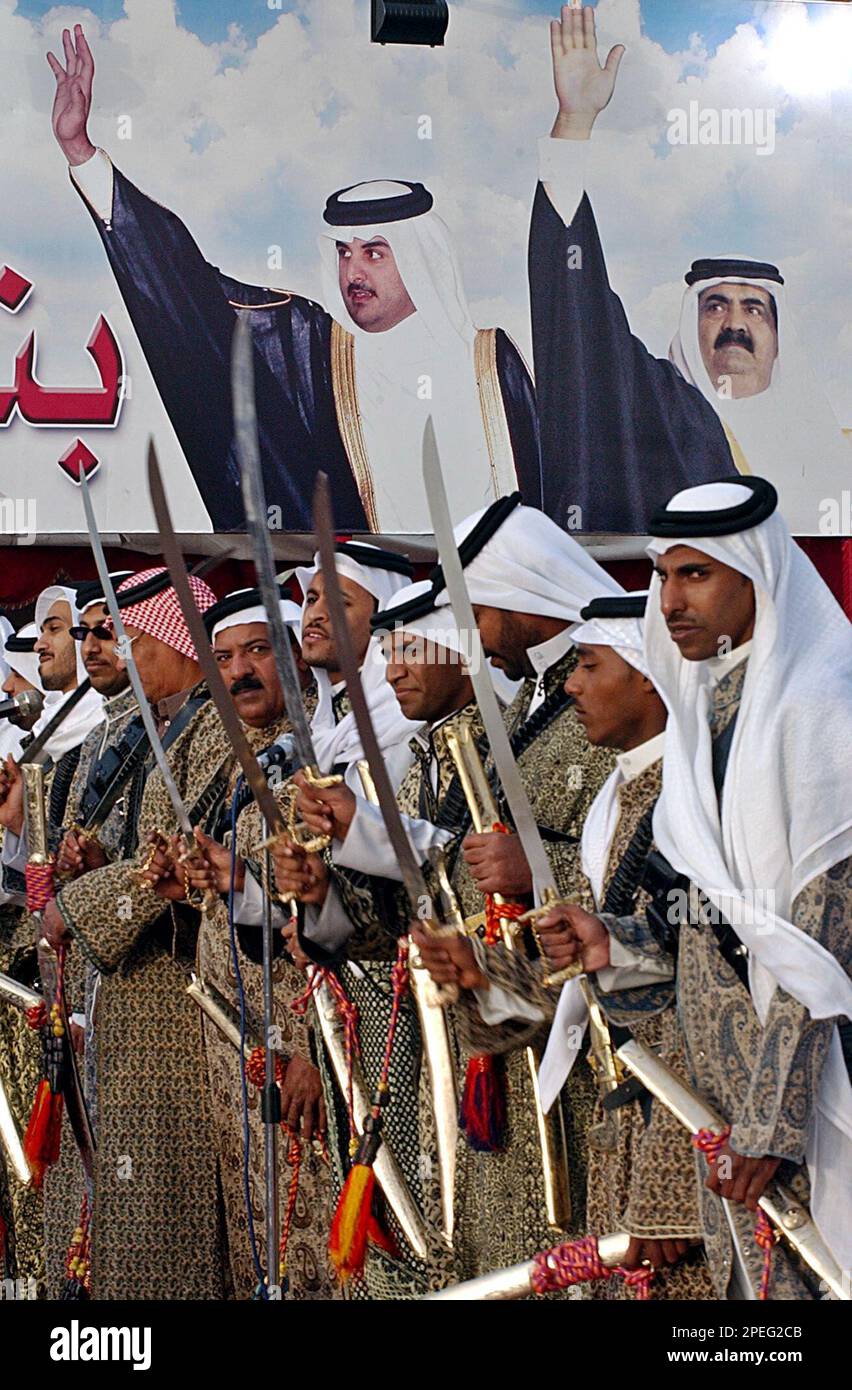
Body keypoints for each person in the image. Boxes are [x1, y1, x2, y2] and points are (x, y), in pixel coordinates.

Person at [47, 25, 541, 532]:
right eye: (344, 254)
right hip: (364, 597)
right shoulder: (315, 352)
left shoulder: (487, 362)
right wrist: (82, 153)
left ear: (421, 258)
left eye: (374, 253)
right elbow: (190, 291)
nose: (354, 271)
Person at [559, 476, 852, 1297]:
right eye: (663, 576)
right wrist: (614, 945)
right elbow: (715, 927)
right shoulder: (709, 708)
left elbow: (817, 943)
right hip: (725, 1111)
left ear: (755, 574)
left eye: (696, 575)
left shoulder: (821, 710)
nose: (671, 599)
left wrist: (775, 1123)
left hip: (811, 1105)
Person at [530, 4, 851, 532]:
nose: (735, 323)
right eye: (715, 305)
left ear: (778, 331)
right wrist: (574, 124)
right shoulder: (662, 411)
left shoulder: (825, 447)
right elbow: (580, 317)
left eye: (754, 308)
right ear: (691, 321)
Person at [39, 566, 232, 1300]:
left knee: (162, 1213)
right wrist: (95, 866)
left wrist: (81, 900)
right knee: (117, 1208)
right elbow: (147, 854)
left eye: (136, 640)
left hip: (177, 1010)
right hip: (128, 1002)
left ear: (177, 642)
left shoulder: (214, 727)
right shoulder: (157, 722)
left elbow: (183, 856)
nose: (124, 654)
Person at [179, 585, 339, 1300]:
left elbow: (345, 922)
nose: (238, 672)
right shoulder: (235, 763)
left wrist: (312, 1046)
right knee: (260, 1242)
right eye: (222, 658)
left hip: (306, 1052)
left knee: (323, 1241)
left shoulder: (328, 759)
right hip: (234, 1051)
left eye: (255, 652)